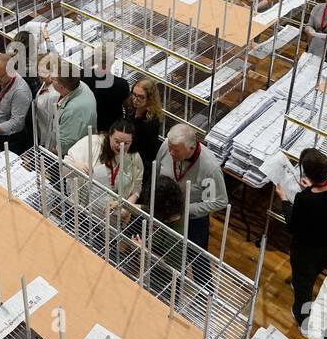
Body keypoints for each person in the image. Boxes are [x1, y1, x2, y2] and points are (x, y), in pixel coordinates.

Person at [277, 148, 327, 327]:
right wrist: (311, 187)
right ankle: (303, 284)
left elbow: (293, 226)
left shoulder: (305, 199)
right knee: (312, 273)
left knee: (303, 285)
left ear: (307, 173)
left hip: (307, 251)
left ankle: (302, 317)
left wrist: (284, 201)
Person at [150, 124, 227, 257]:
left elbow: (219, 201)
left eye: (176, 151)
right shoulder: (167, 147)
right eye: (170, 148)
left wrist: (184, 209)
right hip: (164, 213)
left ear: (192, 147)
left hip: (193, 221)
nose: (171, 153)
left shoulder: (210, 168)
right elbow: (156, 172)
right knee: (163, 253)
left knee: (198, 259)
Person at [64, 119, 145, 207]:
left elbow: (137, 187)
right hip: (82, 206)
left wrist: (126, 206)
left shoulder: (134, 157)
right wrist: (74, 166)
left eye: (126, 143)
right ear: (109, 136)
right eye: (117, 141)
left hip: (111, 211)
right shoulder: (92, 143)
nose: (121, 146)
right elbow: (63, 169)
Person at [123, 77, 165, 191]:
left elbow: (143, 152)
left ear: (149, 99)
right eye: (134, 94)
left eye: (141, 97)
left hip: (140, 161)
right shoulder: (131, 108)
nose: (135, 100)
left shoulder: (150, 122)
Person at [80, 41, 130, 133]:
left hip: (87, 125)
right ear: (113, 60)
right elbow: (127, 107)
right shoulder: (121, 84)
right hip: (110, 130)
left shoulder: (83, 75)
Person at [51, 74, 98, 157]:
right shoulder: (80, 85)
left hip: (71, 154)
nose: (51, 77)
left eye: (54, 79)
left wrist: (55, 149)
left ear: (61, 87)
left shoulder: (73, 110)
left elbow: (67, 142)